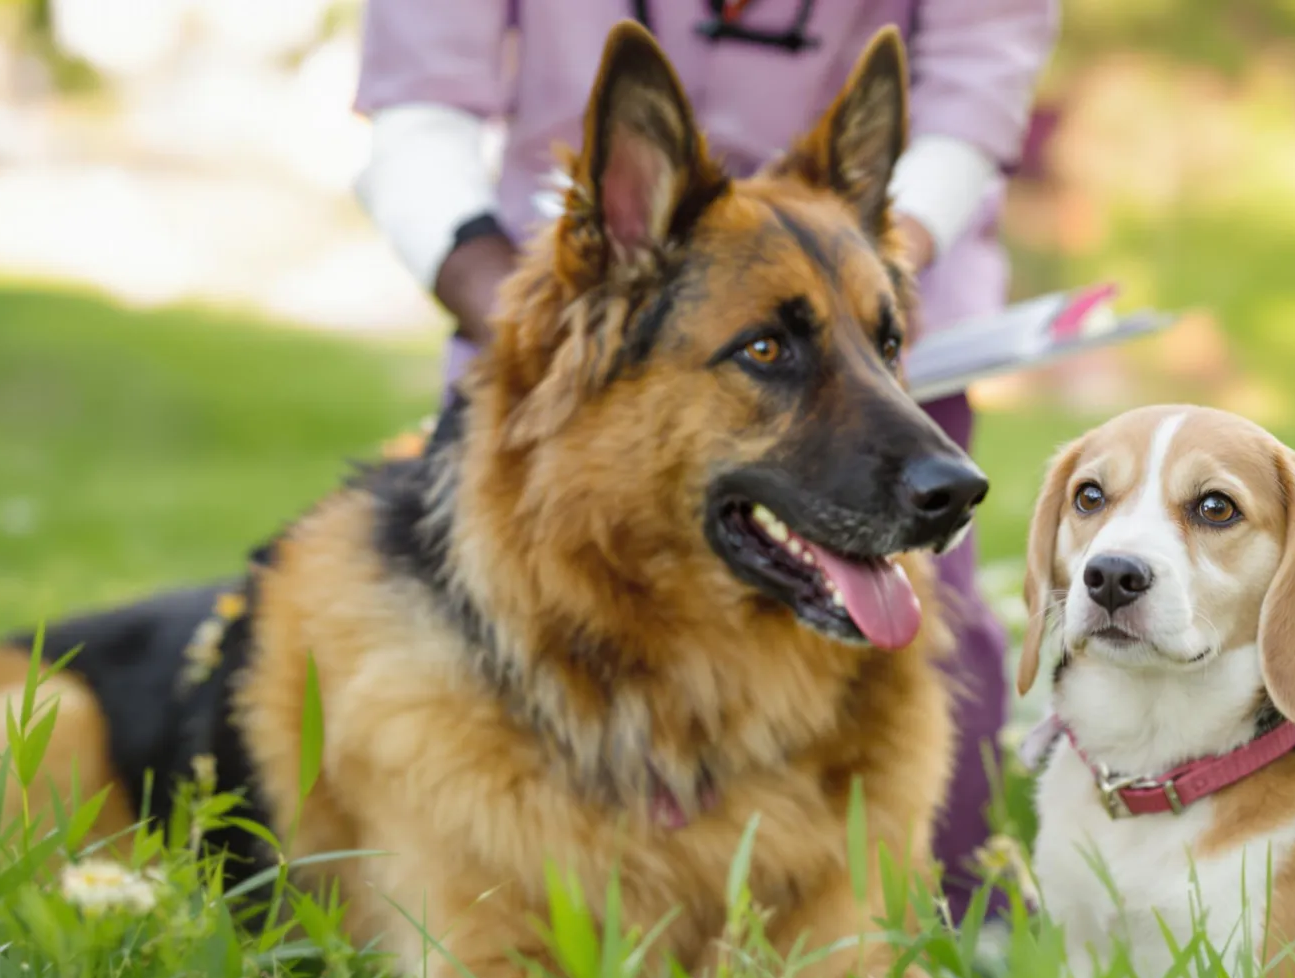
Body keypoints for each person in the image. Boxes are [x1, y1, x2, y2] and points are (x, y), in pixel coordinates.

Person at [352, 0, 1058, 924]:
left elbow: (976, 80)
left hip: (880, 263)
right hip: (569, 320)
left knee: (939, 680)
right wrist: (545, 329)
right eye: (774, 351)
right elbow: (421, 110)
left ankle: (958, 932)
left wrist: (869, 254)